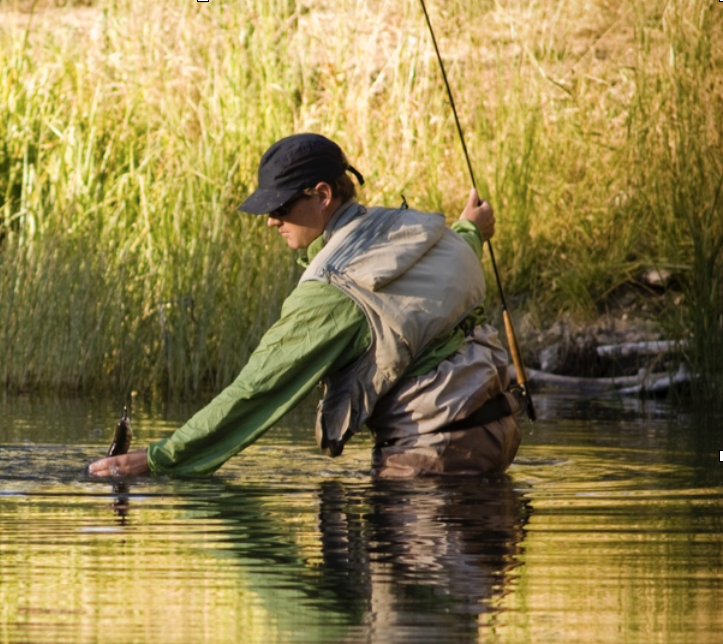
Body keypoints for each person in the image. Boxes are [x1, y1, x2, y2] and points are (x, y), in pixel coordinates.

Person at [88, 133, 522, 479]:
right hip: (496, 436)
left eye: (279, 206)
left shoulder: (332, 289)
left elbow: (256, 392)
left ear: (322, 195)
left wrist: (161, 459)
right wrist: (472, 228)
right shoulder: (405, 230)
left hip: (433, 457)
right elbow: (436, 274)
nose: (271, 220)